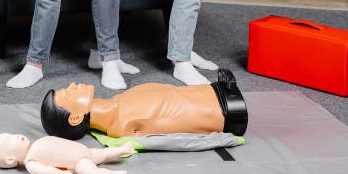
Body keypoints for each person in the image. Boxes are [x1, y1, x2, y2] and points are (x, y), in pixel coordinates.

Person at [40, 69, 247, 140]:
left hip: (215, 92)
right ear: (76, 117)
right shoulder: (126, 125)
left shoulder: (120, 102)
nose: (73, 85)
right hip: (225, 110)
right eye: (68, 94)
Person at [0, 132, 133, 174]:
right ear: (10, 159)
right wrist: (60, 173)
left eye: (12, 134)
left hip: (83, 151)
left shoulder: (37, 143)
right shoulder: (30, 162)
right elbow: (44, 171)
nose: (16, 135)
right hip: (77, 163)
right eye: (11, 139)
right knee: (91, 173)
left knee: (102, 153)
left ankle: (122, 149)